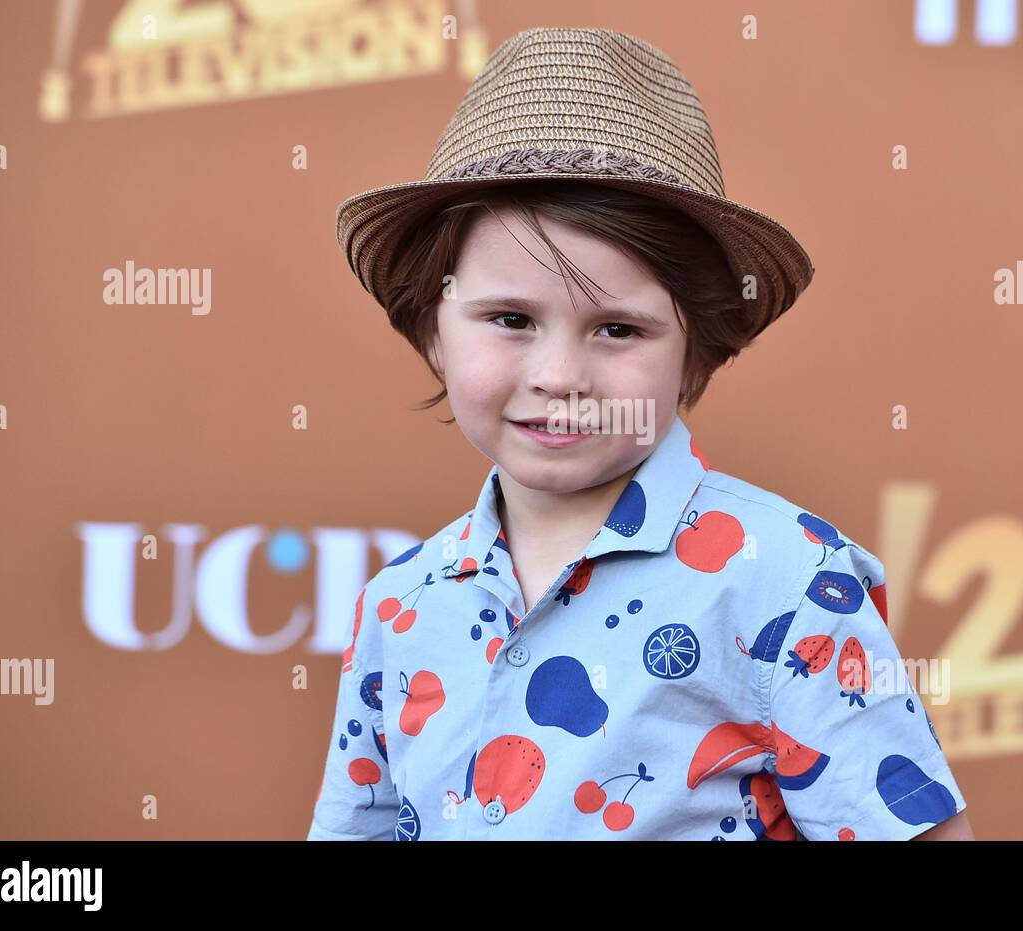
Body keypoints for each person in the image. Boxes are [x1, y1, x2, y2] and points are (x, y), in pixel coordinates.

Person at [308, 26, 972, 841]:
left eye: (617, 329)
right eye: (511, 319)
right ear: (433, 331)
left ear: (696, 348)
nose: (560, 375)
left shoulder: (789, 580)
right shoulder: (398, 605)